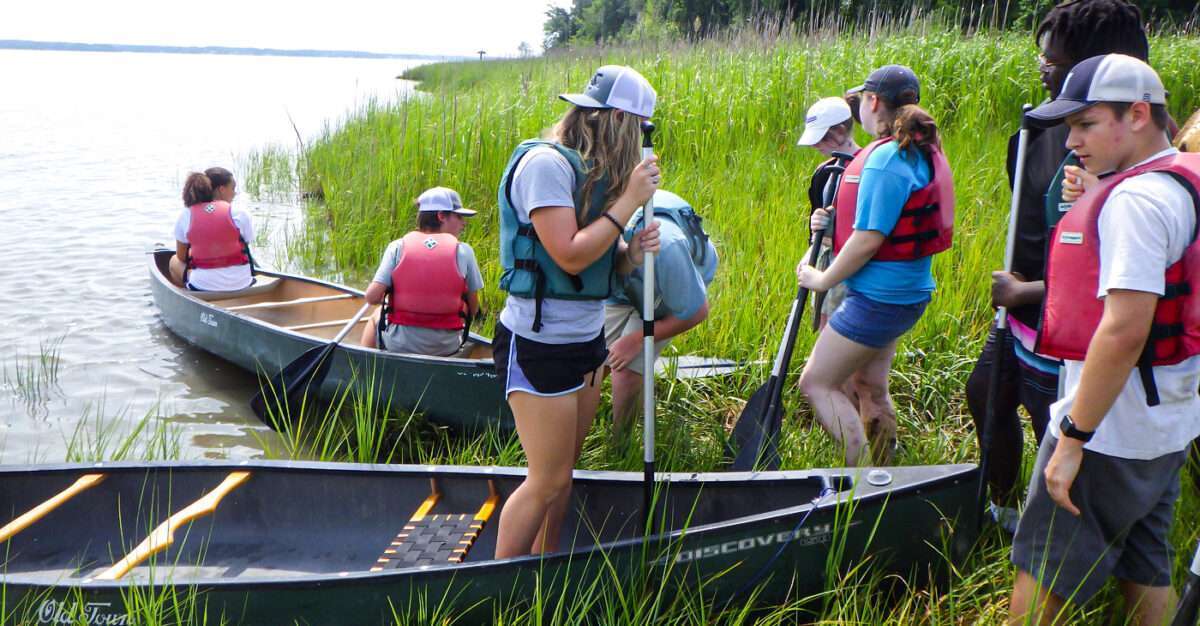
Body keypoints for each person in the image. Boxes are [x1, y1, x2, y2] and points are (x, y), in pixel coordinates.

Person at [1007, 54, 1200, 626]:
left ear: (1138, 113)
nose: (1071, 141)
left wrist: (1071, 437)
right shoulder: (1181, 178)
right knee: (1145, 564)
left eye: (1087, 124)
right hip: (1170, 422)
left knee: (1042, 568)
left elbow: (1124, 328)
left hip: (1110, 432)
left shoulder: (1136, 203)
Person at [967, 0, 1154, 533]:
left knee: (1057, 418)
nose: (1042, 68)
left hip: (1075, 326)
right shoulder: (1034, 134)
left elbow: (1117, 276)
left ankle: (1063, 528)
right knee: (986, 391)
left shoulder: (1135, 159)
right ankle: (1002, 511)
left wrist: (1028, 293)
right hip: (1026, 312)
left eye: (1054, 59)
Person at [492, 65, 661, 558]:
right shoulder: (545, 166)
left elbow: (601, 258)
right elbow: (567, 252)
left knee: (566, 474)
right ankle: (500, 583)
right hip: (538, 341)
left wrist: (631, 253)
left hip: (587, 341)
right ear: (614, 121)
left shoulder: (596, 174)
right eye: (640, 130)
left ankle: (544, 569)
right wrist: (629, 201)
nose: (640, 143)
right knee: (546, 479)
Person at [796, 65, 953, 467]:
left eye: (860, 101)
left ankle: (863, 478)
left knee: (816, 382)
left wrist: (822, 279)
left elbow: (868, 239)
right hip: (907, 294)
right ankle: (886, 467)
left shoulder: (885, 159)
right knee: (870, 386)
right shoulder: (920, 148)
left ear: (873, 102)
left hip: (878, 299)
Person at [603, 189, 717, 434]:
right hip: (621, 285)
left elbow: (696, 311)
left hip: (663, 281)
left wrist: (637, 339)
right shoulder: (591, 231)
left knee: (625, 369)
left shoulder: (665, 247)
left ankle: (620, 443)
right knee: (589, 355)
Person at [359, 187, 483, 356]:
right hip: (446, 346)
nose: (464, 223)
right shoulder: (464, 251)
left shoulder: (397, 247)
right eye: (459, 216)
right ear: (441, 216)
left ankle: (364, 367)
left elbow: (371, 297)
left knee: (376, 315)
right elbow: (474, 309)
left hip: (399, 343)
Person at [796, 96, 861, 329]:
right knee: (824, 326)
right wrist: (809, 253)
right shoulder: (823, 173)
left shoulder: (868, 168)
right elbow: (816, 223)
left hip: (853, 264)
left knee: (842, 329)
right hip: (825, 258)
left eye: (821, 138)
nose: (815, 145)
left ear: (841, 131)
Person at [169, 167, 254, 291]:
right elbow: (246, 243)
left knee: (173, 261)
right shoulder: (240, 213)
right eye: (233, 188)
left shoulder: (187, 214)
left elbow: (182, 257)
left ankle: (190, 296)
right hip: (243, 283)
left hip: (203, 286)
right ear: (221, 189)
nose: (234, 193)